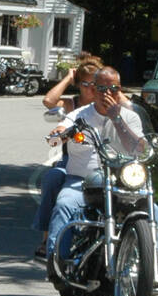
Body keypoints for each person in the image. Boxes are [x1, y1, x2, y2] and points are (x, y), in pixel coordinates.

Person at [45, 67, 150, 265]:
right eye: (102, 89)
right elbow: (57, 135)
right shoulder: (79, 115)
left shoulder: (130, 117)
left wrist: (116, 118)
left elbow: (138, 149)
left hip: (122, 183)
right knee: (64, 204)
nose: (108, 94)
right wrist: (59, 133)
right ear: (92, 90)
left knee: (153, 210)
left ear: (120, 90)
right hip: (81, 181)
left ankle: (153, 267)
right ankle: (57, 261)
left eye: (113, 89)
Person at [34, 57, 102, 258]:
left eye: (95, 84)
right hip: (71, 161)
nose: (91, 88)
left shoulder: (111, 105)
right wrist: (68, 78)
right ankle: (48, 239)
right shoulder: (74, 105)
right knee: (52, 178)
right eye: (85, 83)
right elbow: (49, 101)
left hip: (105, 163)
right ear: (79, 85)